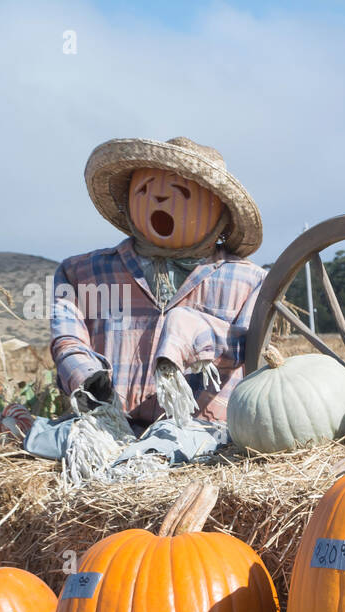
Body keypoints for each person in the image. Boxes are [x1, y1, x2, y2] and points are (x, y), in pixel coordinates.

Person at [50, 136, 265, 428]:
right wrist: (88, 378)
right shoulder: (82, 274)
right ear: (127, 203)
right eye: (145, 189)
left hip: (202, 431)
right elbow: (68, 342)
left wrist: (189, 330)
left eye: (181, 191)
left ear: (220, 213)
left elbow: (245, 348)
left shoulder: (249, 281)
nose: (159, 199)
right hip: (106, 427)